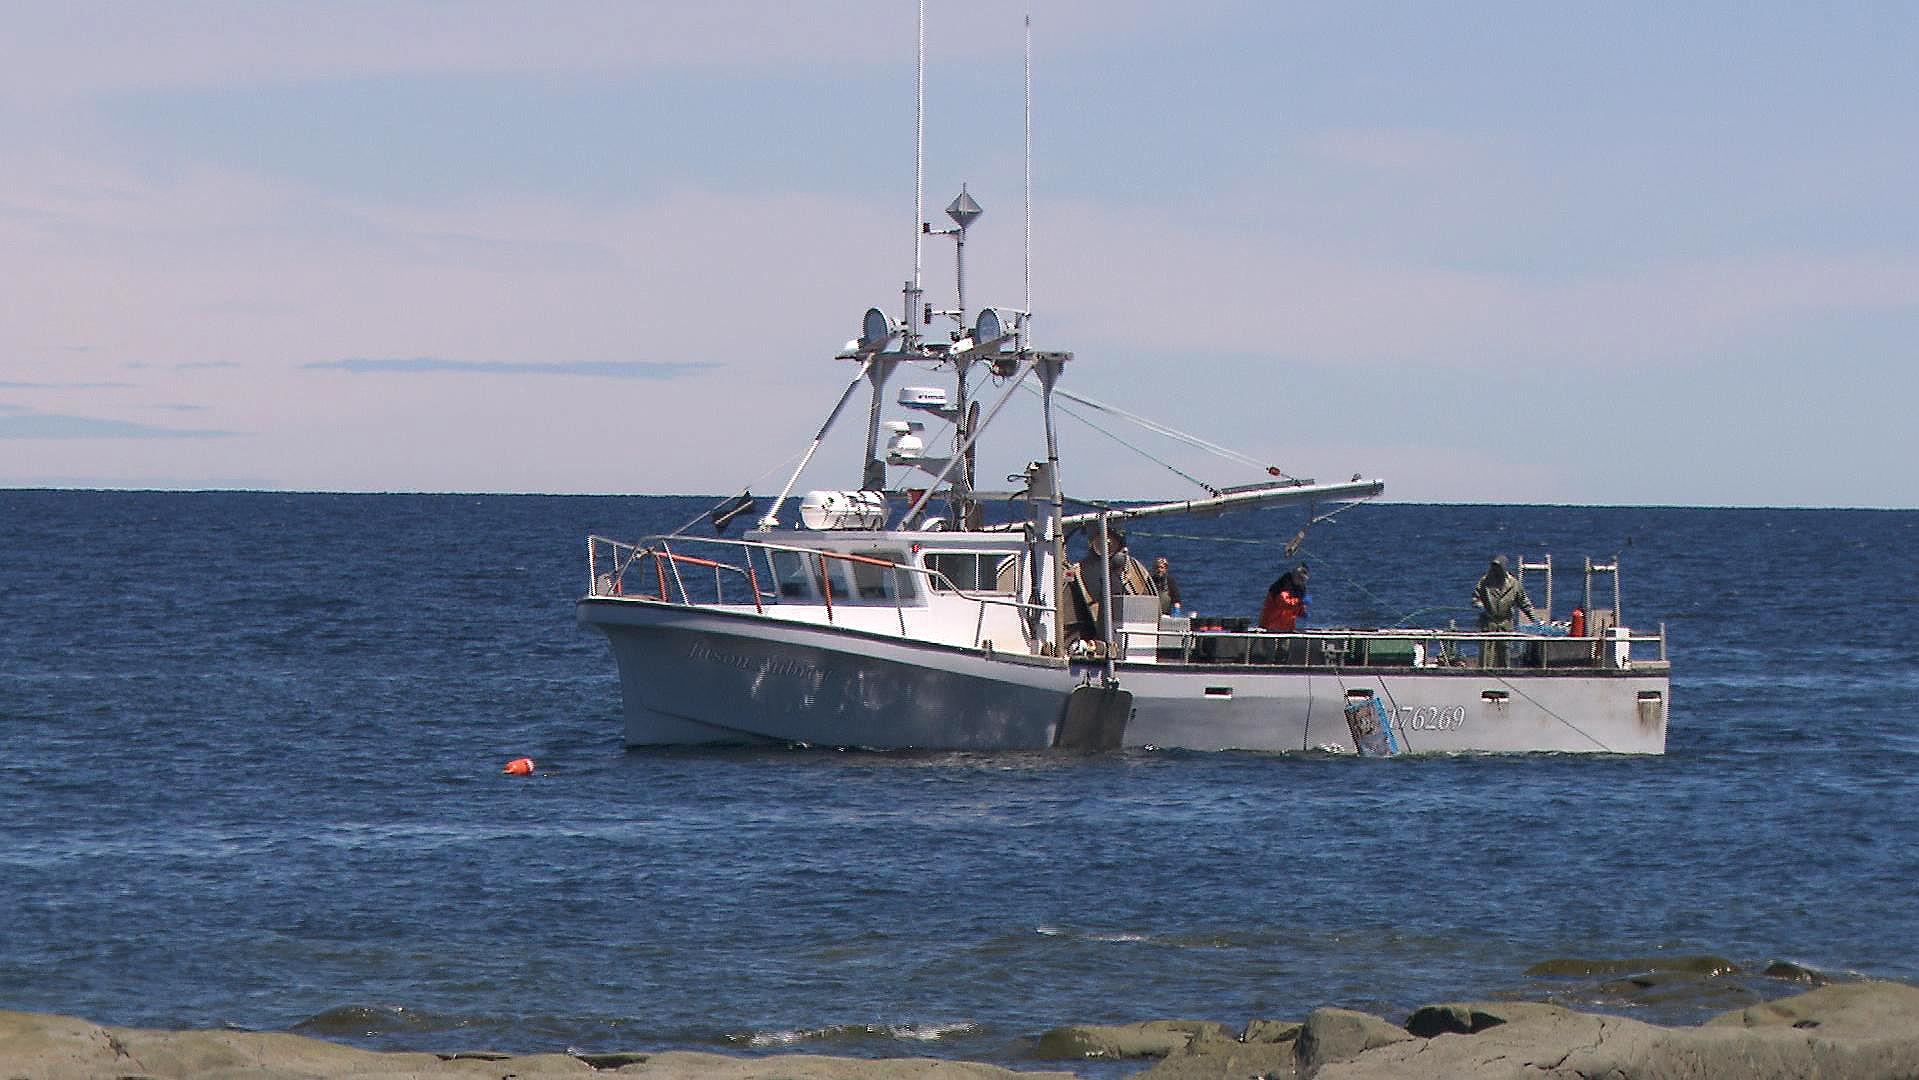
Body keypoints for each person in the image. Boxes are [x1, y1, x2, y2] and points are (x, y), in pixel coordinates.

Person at [1472, 555, 1538, 667]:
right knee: (1486, 654)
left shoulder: (1514, 584)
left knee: (1505, 651)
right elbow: (1475, 598)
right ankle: (1484, 673)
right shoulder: (1485, 581)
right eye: (1494, 567)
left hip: (1505, 623)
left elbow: (1524, 602)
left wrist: (1534, 619)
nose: (1495, 569)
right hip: (1489, 623)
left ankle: (1505, 671)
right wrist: (1481, 606)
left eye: (1498, 567)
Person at [1259, 563, 1308, 633]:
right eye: (1300, 578)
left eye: (1304, 579)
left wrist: (1302, 610)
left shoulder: (1299, 589)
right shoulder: (1282, 586)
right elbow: (1284, 604)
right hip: (1271, 625)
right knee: (1272, 643)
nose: (1302, 581)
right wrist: (1300, 602)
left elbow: (1296, 609)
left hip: (1286, 626)